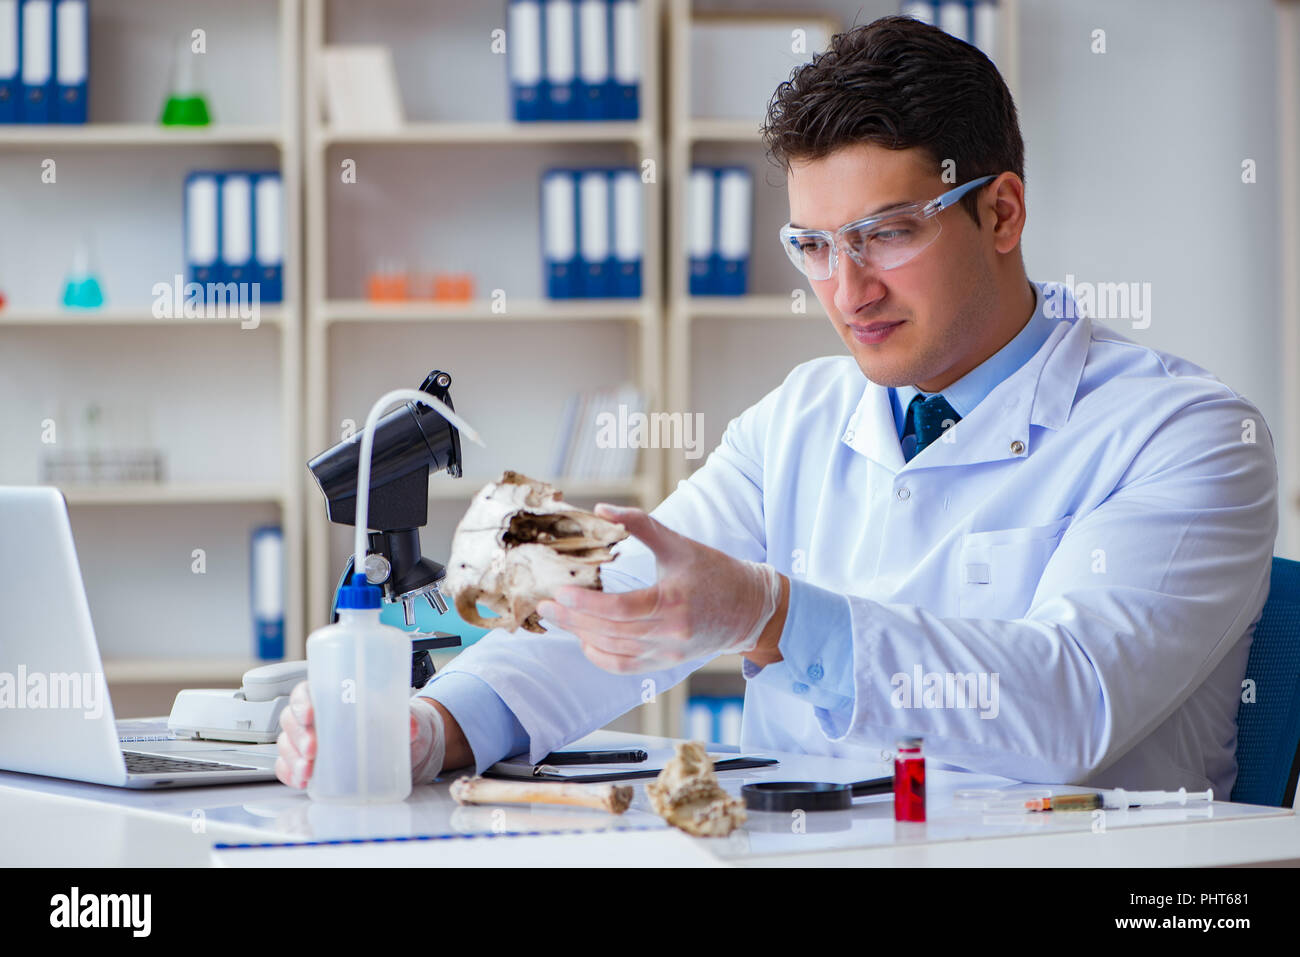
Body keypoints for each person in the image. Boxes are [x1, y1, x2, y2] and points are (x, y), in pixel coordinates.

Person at [277, 16, 1277, 796]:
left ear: (1001, 212)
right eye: (812, 245)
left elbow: (1071, 706)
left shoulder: (1185, 435)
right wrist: (433, 728)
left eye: (886, 234)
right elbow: (617, 611)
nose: (847, 289)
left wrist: (770, 613)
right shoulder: (801, 415)